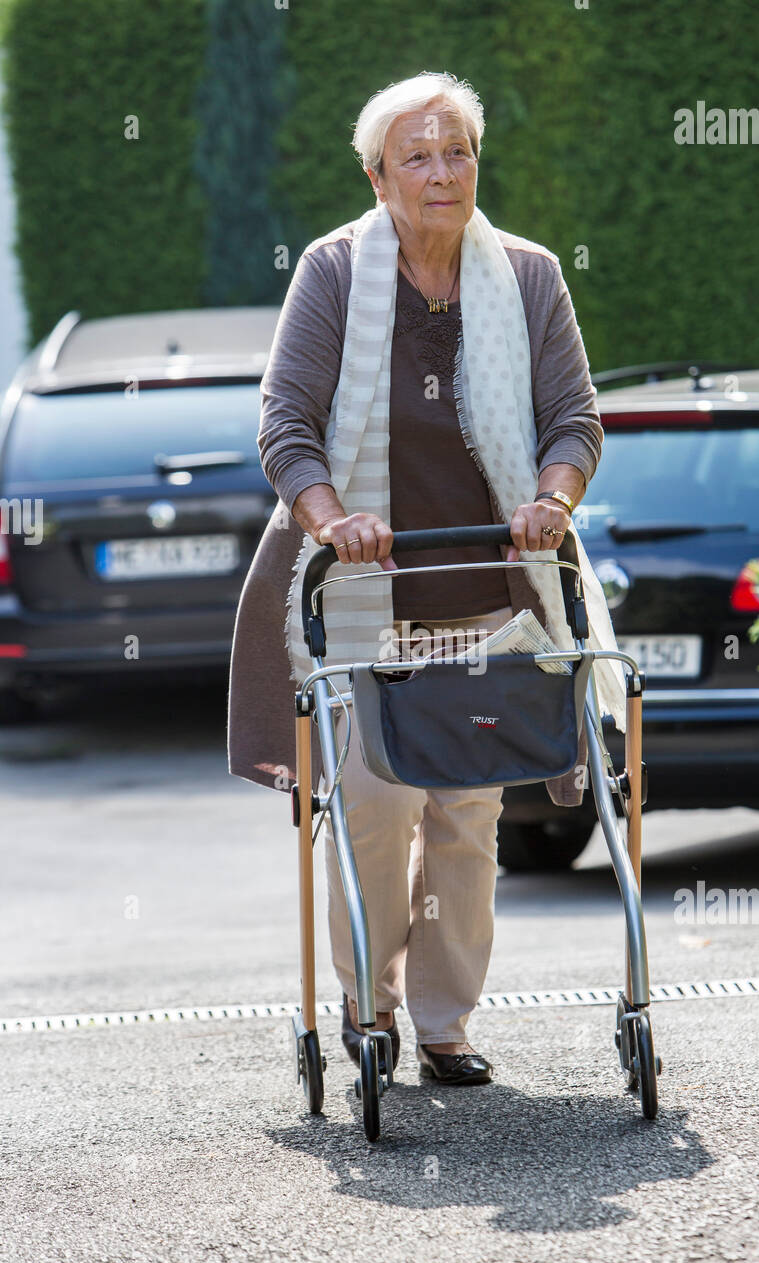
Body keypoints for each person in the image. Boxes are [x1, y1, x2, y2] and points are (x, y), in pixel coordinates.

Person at [227, 71, 604, 1085]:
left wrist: (553, 500)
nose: (442, 172)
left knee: (467, 821)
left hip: (487, 594)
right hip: (364, 603)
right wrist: (329, 519)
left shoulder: (523, 276)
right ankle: (366, 1007)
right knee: (375, 803)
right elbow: (285, 426)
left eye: (458, 152)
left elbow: (572, 417)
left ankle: (444, 1024)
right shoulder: (335, 273)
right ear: (377, 176)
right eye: (418, 157)